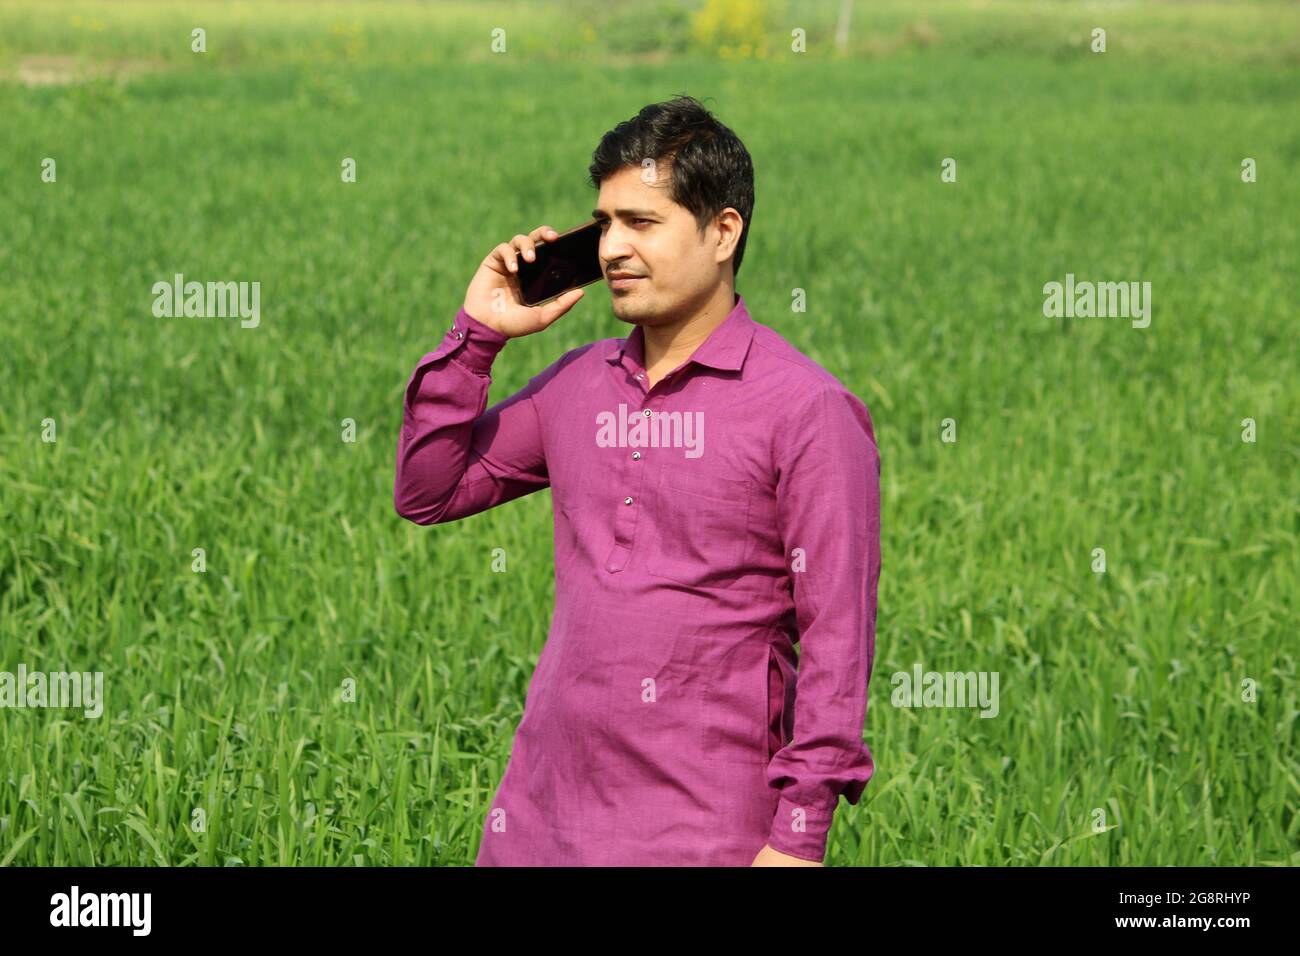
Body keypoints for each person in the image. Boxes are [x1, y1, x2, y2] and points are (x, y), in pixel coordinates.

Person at [394, 94, 881, 866]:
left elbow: (838, 643)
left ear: (724, 231)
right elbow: (429, 492)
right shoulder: (579, 384)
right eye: (605, 223)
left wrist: (799, 837)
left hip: (707, 830)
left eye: (642, 223)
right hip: (539, 819)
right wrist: (478, 335)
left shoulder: (808, 410)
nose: (614, 248)